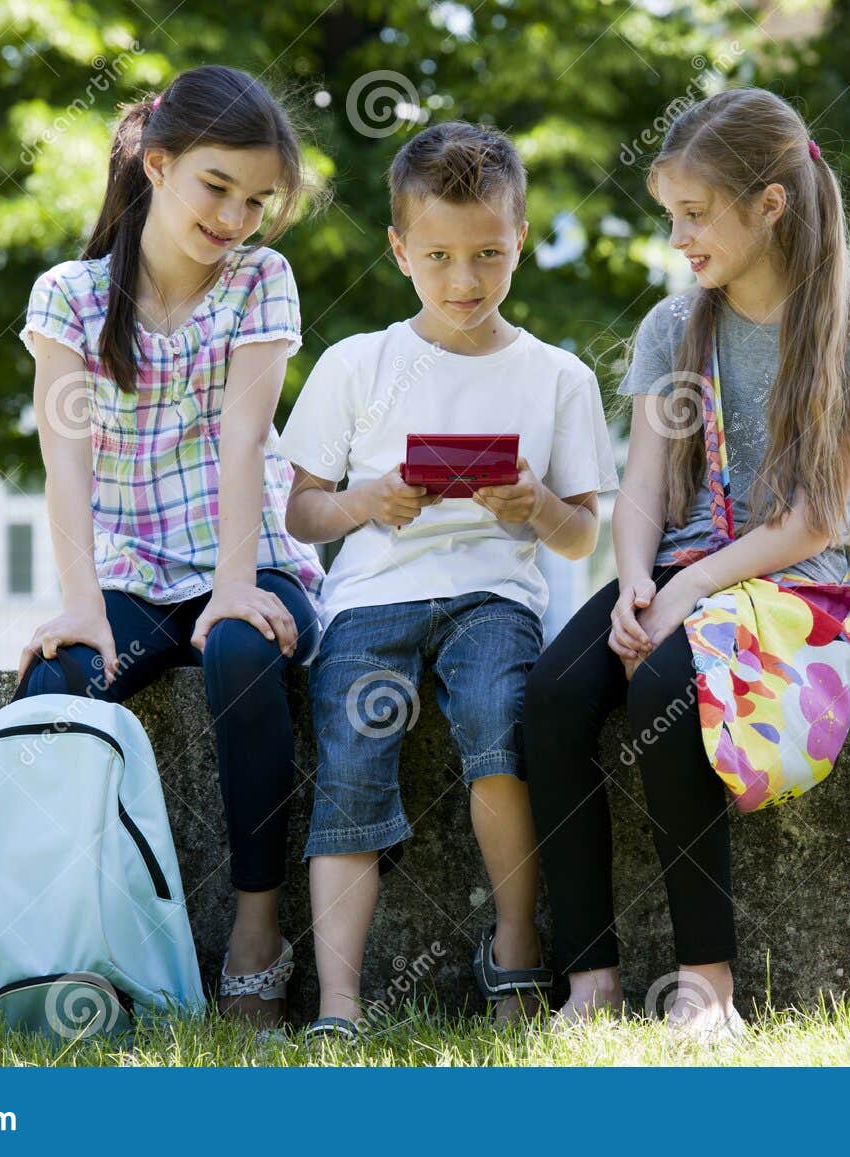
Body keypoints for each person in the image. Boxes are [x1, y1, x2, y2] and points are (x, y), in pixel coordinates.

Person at [524, 88, 850, 1040]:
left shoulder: (842, 339)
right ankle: (591, 982)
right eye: (673, 217)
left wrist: (690, 588)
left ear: (769, 205)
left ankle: (708, 986)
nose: (680, 238)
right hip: (683, 569)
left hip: (788, 584)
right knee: (553, 694)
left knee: (665, 688)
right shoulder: (673, 328)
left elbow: (817, 520)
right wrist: (639, 582)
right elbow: (644, 486)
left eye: (696, 216)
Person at [275, 121, 619, 1038]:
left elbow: (584, 534)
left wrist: (535, 506)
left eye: (488, 254)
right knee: (350, 753)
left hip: (495, 599)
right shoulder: (358, 364)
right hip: (371, 595)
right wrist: (368, 503)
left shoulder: (558, 377)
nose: (464, 281)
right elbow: (300, 512)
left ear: (522, 242)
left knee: (499, 731)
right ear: (398, 250)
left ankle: (514, 952)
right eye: (438, 256)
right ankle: (340, 1005)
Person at [13, 65, 323, 1036]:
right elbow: (63, 463)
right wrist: (79, 602)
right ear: (158, 165)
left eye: (257, 199)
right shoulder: (69, 297)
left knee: (238, 648)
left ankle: (255, 943)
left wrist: (237, 582)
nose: (236, 215)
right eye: (216, 187)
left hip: (255, 555)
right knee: (53, 685)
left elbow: (244, 440)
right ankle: (81, 958)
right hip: (134, 574)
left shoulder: (259, 281)